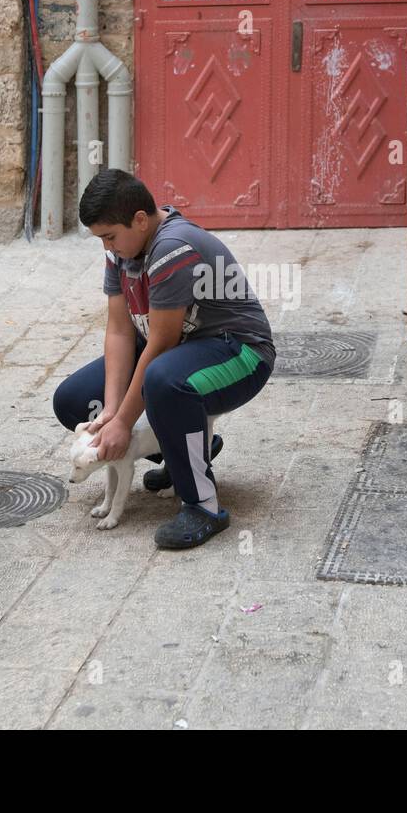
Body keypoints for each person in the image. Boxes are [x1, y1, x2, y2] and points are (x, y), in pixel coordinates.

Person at [52, 170, 274, 549]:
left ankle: (203, 506)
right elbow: (121, 331)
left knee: (165, 381)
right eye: (101, 238)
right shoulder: (121, 251)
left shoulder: (172, 246)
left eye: (109, 236)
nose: (106, 247)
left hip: (239, 353)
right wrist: (110, 410)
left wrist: (124, 422)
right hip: (178, 354)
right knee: (74, 400)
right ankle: (180, 447)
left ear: (140, 219)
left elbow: (162, 342)